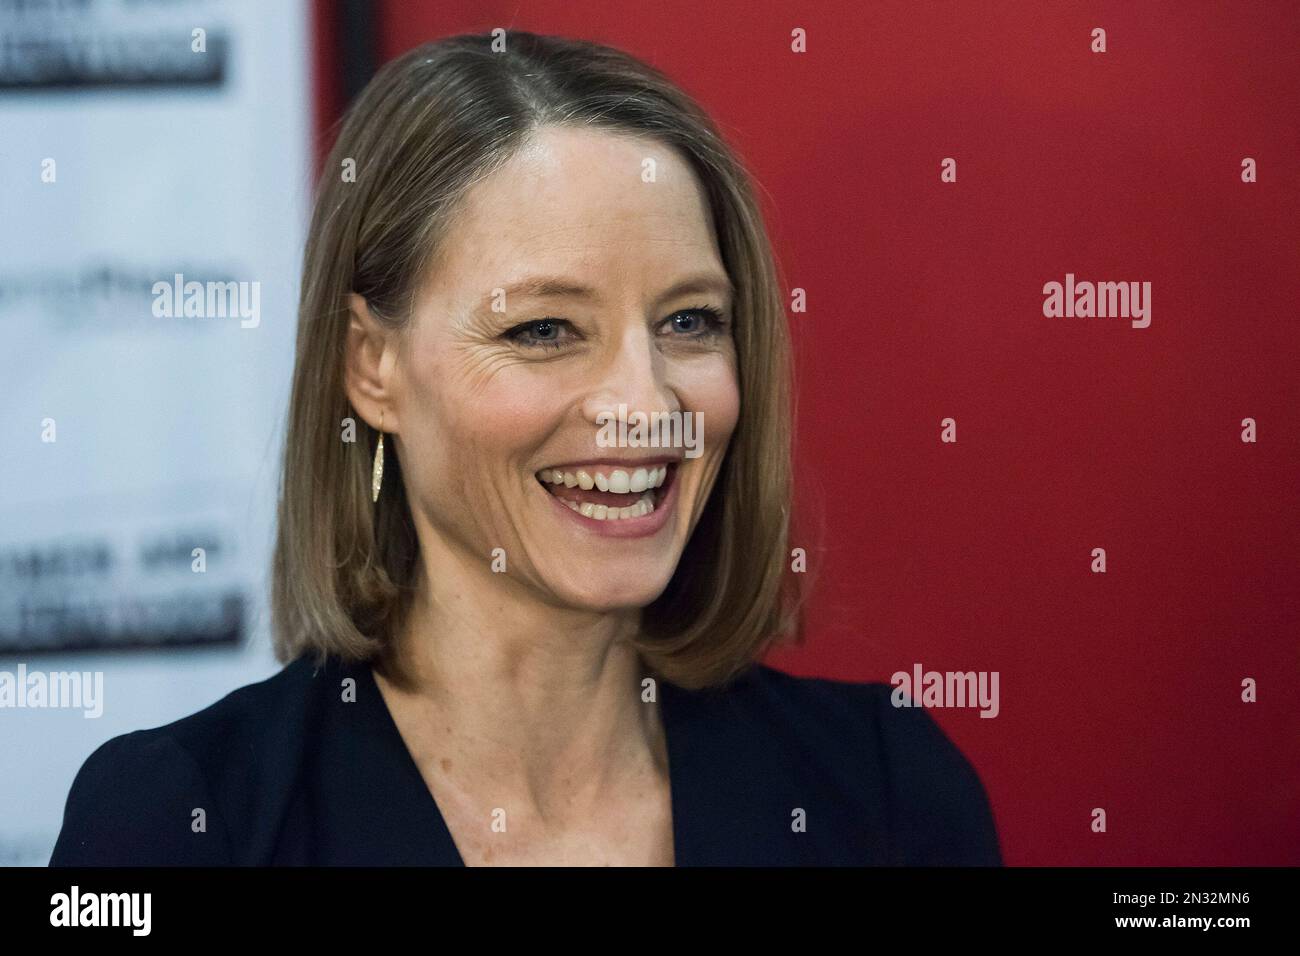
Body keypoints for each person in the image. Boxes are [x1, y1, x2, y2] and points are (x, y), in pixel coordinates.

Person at [50, 30, 1001, 866]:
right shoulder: (182, 825)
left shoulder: (888, 796)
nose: (646, 404)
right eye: (544, 330)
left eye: (689, 322)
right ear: (372, 368)